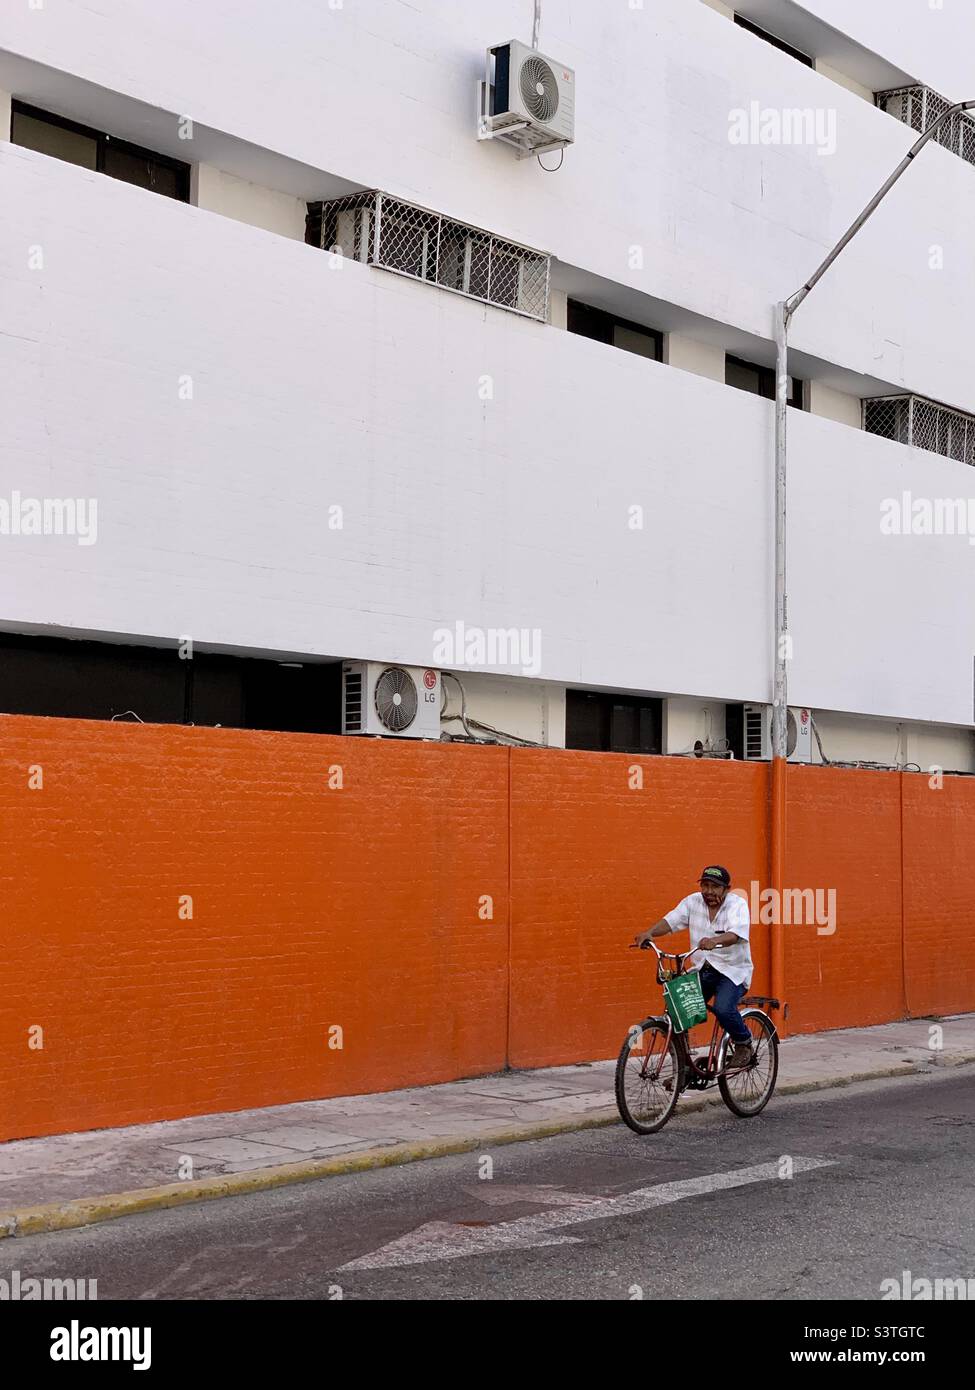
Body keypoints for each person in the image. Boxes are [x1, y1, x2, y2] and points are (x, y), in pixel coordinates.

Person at [634, 865, 754, 1066]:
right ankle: (682, 1067)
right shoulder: (692, 902)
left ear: (726, 889)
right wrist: (650, 933)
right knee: (678, 1011)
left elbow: (735, 934)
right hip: (703, 970)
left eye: (715, 887)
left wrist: (715, 941)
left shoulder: (737, 905)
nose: (709, 891)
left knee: (723, 1009)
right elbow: (671, 920)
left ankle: (743, 1043)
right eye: (705, 885)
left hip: (732, 972)